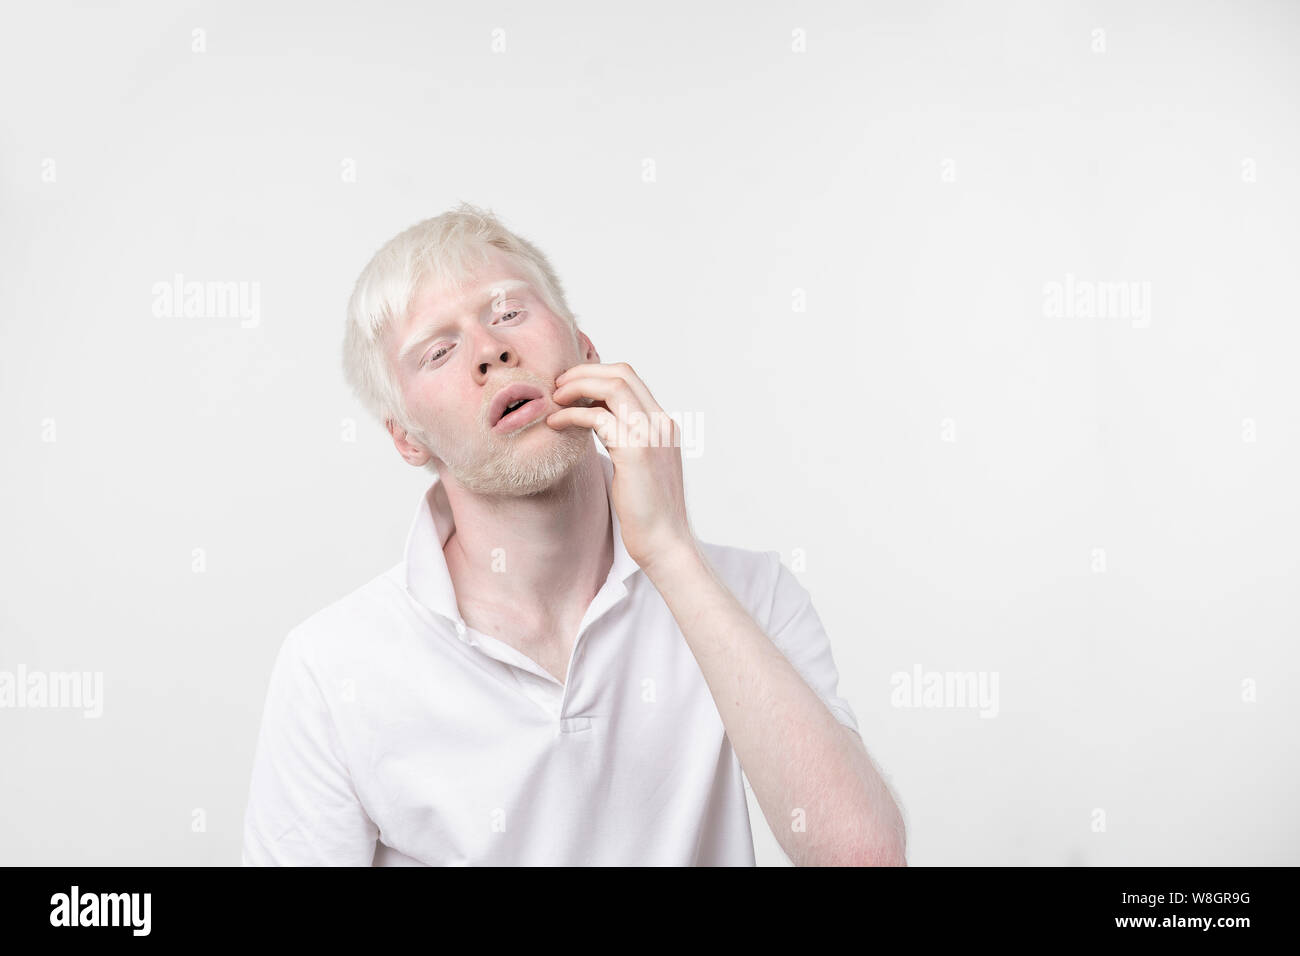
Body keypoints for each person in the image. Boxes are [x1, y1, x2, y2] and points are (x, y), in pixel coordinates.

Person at [240, 202, 907, 866]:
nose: (490, 351)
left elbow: (866, 860)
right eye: (439, 351)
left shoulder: (752, 595)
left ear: (585, 350)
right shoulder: (331, 669)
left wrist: (672, 553)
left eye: (508, 313)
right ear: (406, 438)